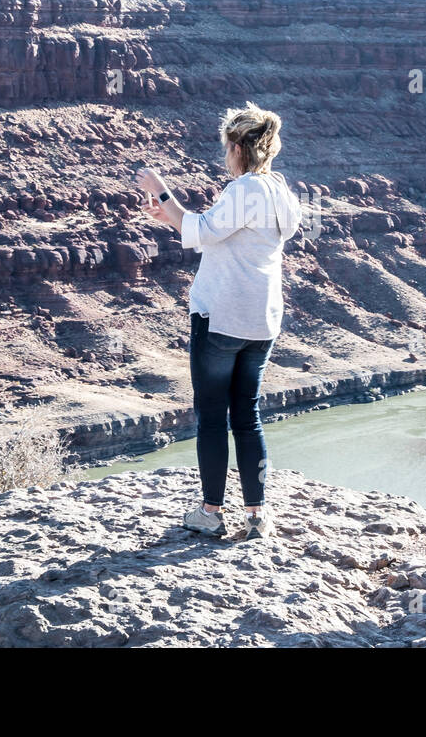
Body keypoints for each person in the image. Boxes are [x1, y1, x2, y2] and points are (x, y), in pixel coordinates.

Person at [135, 102, 302, 540]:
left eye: (226, 148)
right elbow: (210, 232)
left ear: (237, 148)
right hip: (261, 323)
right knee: (247, 415)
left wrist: (161, 190)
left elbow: (202, 233)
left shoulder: (243, 189)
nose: (223, 157)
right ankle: (257, 514)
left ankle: (210, 512)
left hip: (221, 318)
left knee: (212, 416)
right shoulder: (279, 191)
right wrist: (170, 216)